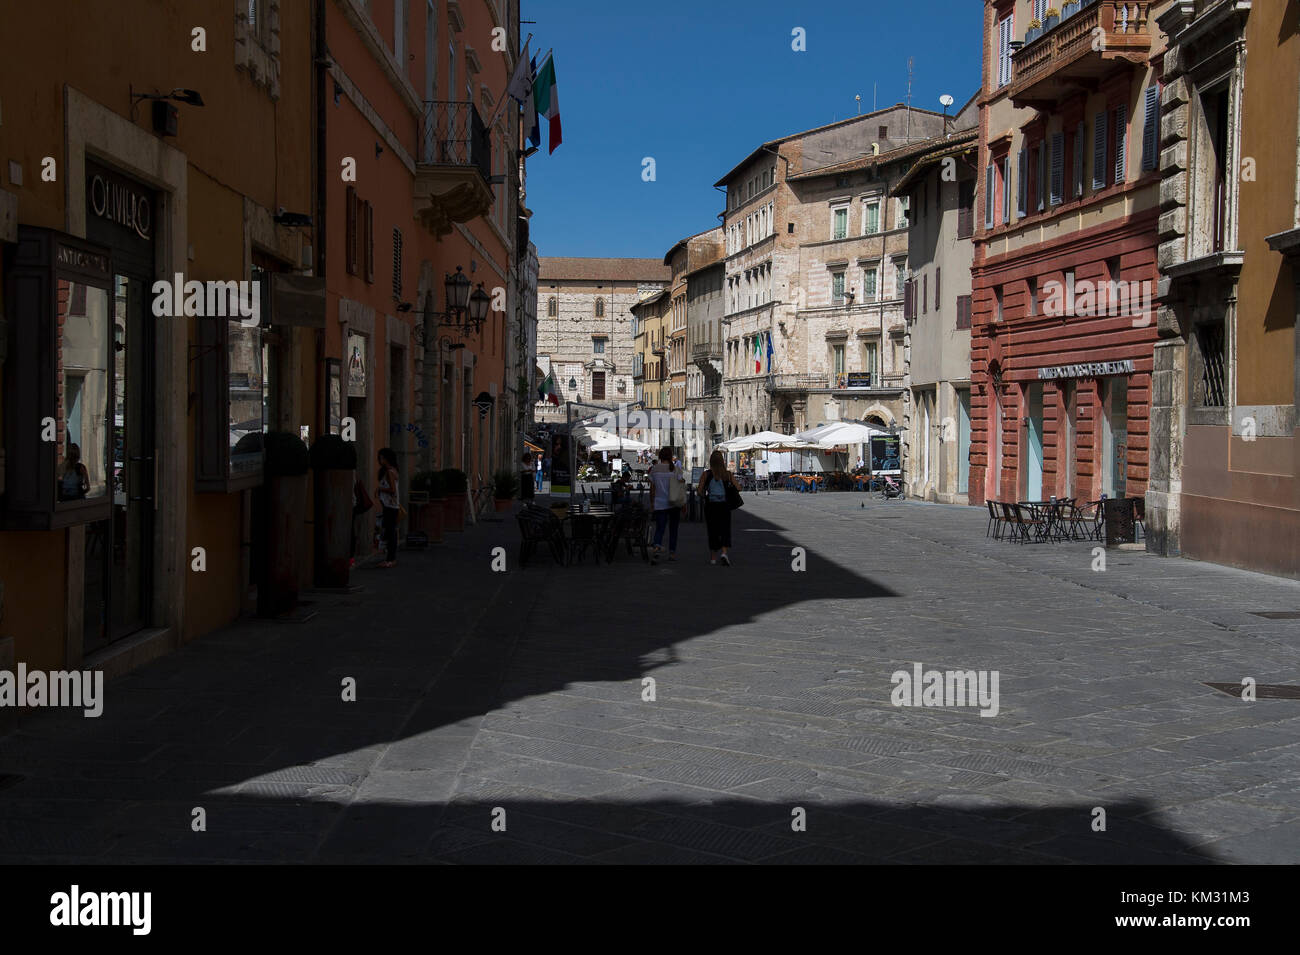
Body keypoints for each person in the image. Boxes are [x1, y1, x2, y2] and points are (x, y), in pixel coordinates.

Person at [699, 449, 736, 566]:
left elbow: (699, 491)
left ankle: (713, 557)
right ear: (722, 461)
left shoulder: (706, 474)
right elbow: (739, 487)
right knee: (725, 529)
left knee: (712, 530)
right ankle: (724, 553)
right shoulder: (727, 474)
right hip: (724, 506)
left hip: (711, 506)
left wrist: (705, 494)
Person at [648, 446, 682, 564]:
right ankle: (672, 553)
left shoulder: (655, 469)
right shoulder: (676, 469)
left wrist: (652, 502)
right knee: (673, 529)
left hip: (660, 503)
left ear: (660, 456)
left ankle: (656, 550)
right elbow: (680, 487)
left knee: (660, 528)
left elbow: (652, 489)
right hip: (674, 503)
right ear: (671, 456)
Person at [375, 448, 400, 568]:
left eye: (381, 458)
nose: (380, 460)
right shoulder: (393, 470)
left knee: (390, 532)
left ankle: (390, 559)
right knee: (390, 531)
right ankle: (390, 558)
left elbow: (392, 490)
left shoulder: (390, 472)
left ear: (386, 458)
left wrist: (380, 489)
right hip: (390, 505)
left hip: (390, 506)